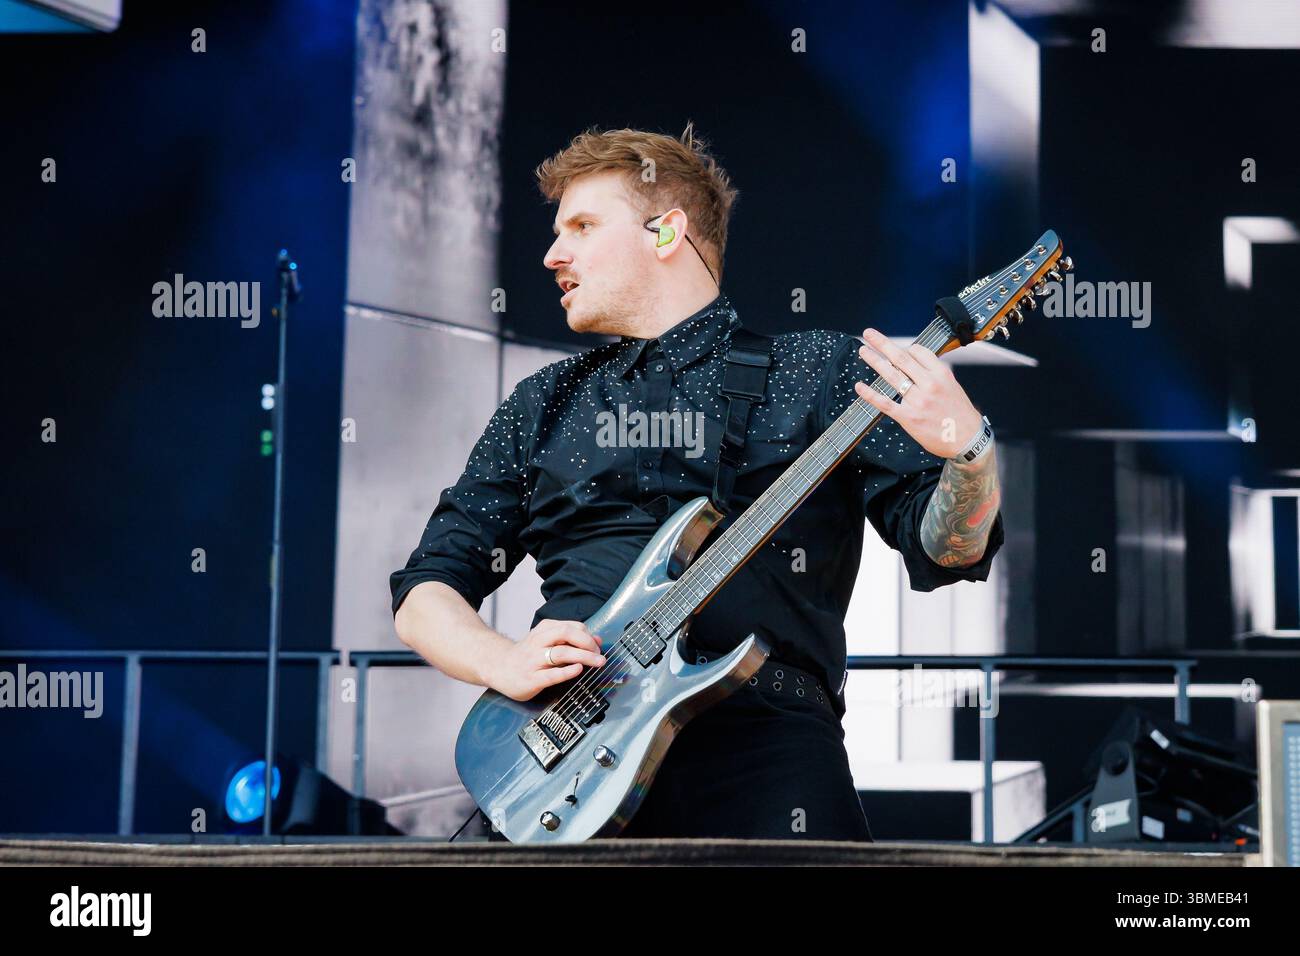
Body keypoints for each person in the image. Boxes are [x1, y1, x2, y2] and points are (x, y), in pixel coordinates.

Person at [391, 124, 1004, 842]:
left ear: (665, 231)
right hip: (564, 762)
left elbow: (952, 552)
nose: (553, 254)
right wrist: (504, 659)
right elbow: (425, 592)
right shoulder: (542, 402)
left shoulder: (820, 371)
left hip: (765, 754)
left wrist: (971, 453)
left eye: (583, 226)